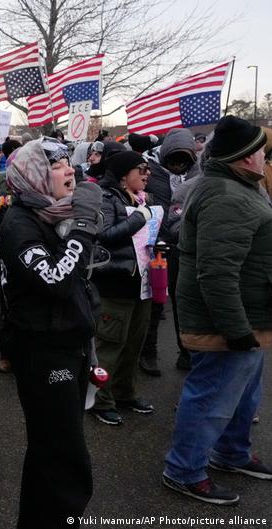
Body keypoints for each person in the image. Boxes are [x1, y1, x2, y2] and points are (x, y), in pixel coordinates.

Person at [162, 116, 272, 505]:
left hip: (249, 314)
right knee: (211, 398)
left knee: (243, 394)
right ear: (244, 159)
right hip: (227, 321)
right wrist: (236, 329)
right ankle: (184, 469)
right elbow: (216, 273)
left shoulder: (242, 187)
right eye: (260, 151)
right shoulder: (227, 196)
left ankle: (232, 453)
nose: (265, 157)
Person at [0, 138, 101, 529]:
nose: (69, 170)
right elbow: (55, 279)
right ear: (35, 176)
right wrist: (84, 230)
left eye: (67, 163)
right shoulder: (19, 224)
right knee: (64, 456)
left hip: (69, 345)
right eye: (56, 166)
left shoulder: (51, 215)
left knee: (50, 452)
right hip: (44, 352)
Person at [88, 151, 156, 426]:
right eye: (141, 169)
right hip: (115, 285)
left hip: (142, 284)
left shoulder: (142, 199)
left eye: (148, 169)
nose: (147, 173)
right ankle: (100, 401)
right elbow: (103, 236)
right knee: (109, 346)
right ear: (124, 174)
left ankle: (125, 393)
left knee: (133, 345)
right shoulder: (106, 198)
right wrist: (139, 219)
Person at [139, 129, 201, 376]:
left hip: (184, 247)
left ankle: (186, 351)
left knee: (183, 302)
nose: (178, 165)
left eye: (183, 159)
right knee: (155, 303)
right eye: (173, 159)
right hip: (154, 246)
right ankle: (149, 351)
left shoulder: (199, 173)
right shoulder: (150, 171)